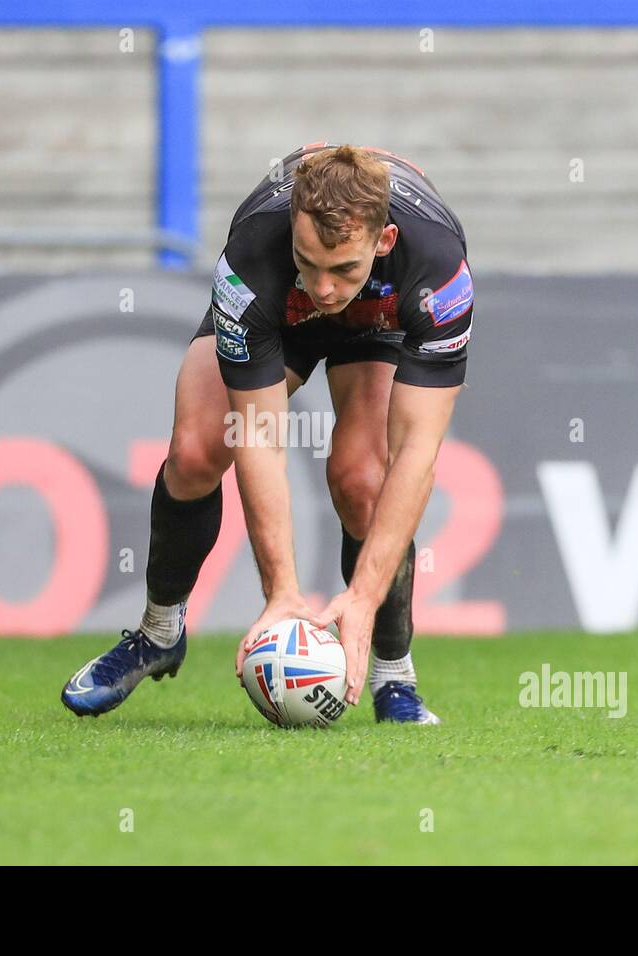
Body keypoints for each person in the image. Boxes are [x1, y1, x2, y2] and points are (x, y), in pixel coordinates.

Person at [62, 143, 472, 724]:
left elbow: (417, 454)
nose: (326, 289)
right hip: (277, 313)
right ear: (291, 235)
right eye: (312, 262)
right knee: (197, 449)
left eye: (344, 268)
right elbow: (258, 434)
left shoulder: (438, 270)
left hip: (381, 323)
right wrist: (282, 592)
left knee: (363, 480)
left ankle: (392, 674)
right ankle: (158, 633)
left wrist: (361, 597)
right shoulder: (253, 254)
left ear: (382, 243)